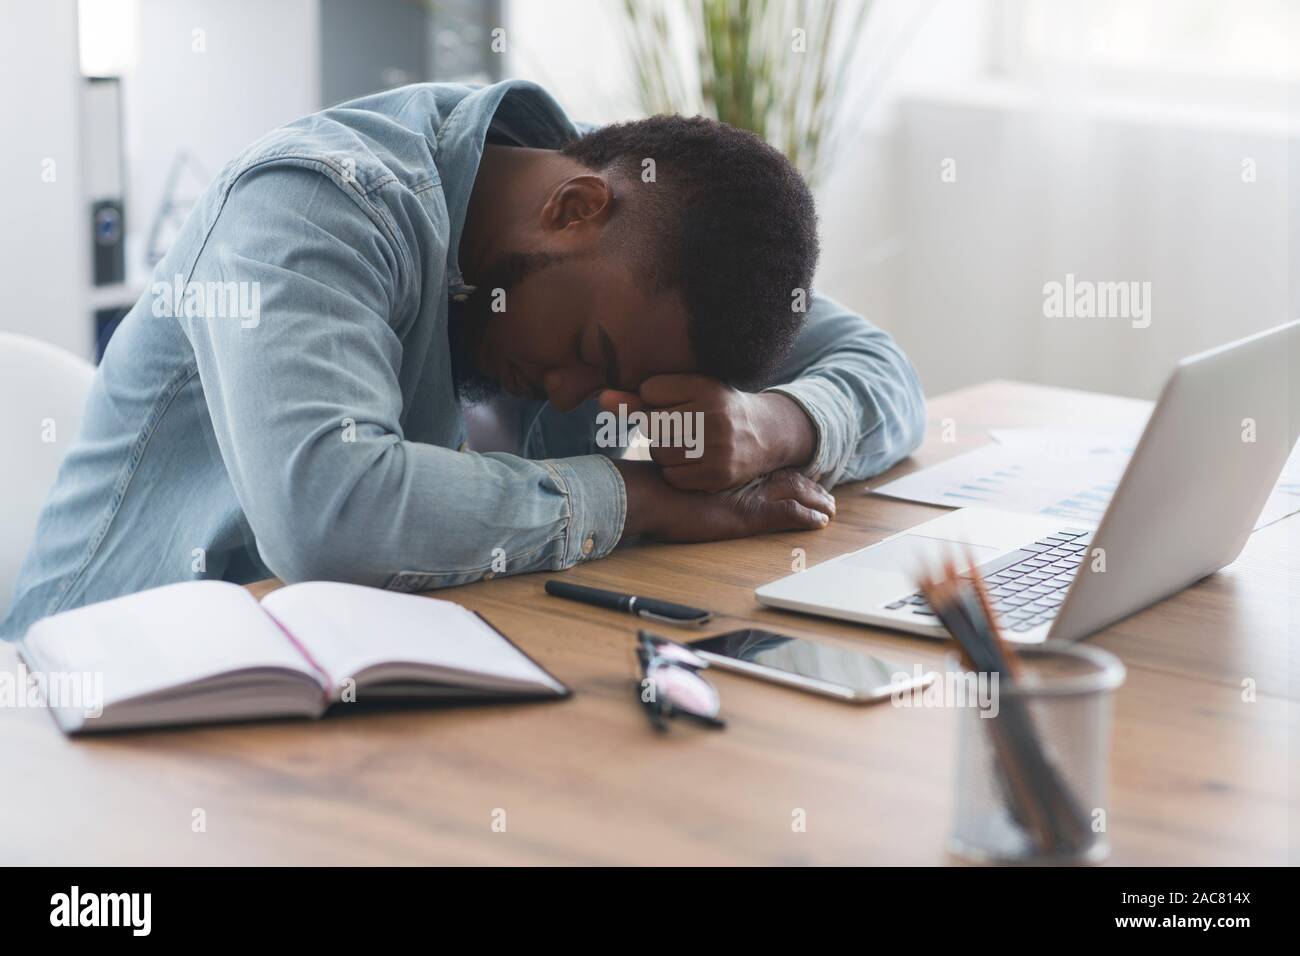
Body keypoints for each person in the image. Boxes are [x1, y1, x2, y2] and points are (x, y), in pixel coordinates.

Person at [1, 80, 924, 640]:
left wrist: (773, 425)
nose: (576, 394)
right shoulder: (314, 203)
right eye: (589, 351)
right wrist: (640, 498)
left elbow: (883, 367)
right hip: (96, 701)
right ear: (572, 210)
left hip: (359, 674)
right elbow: (331, 512)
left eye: (621, 388)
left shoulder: (642, 233)